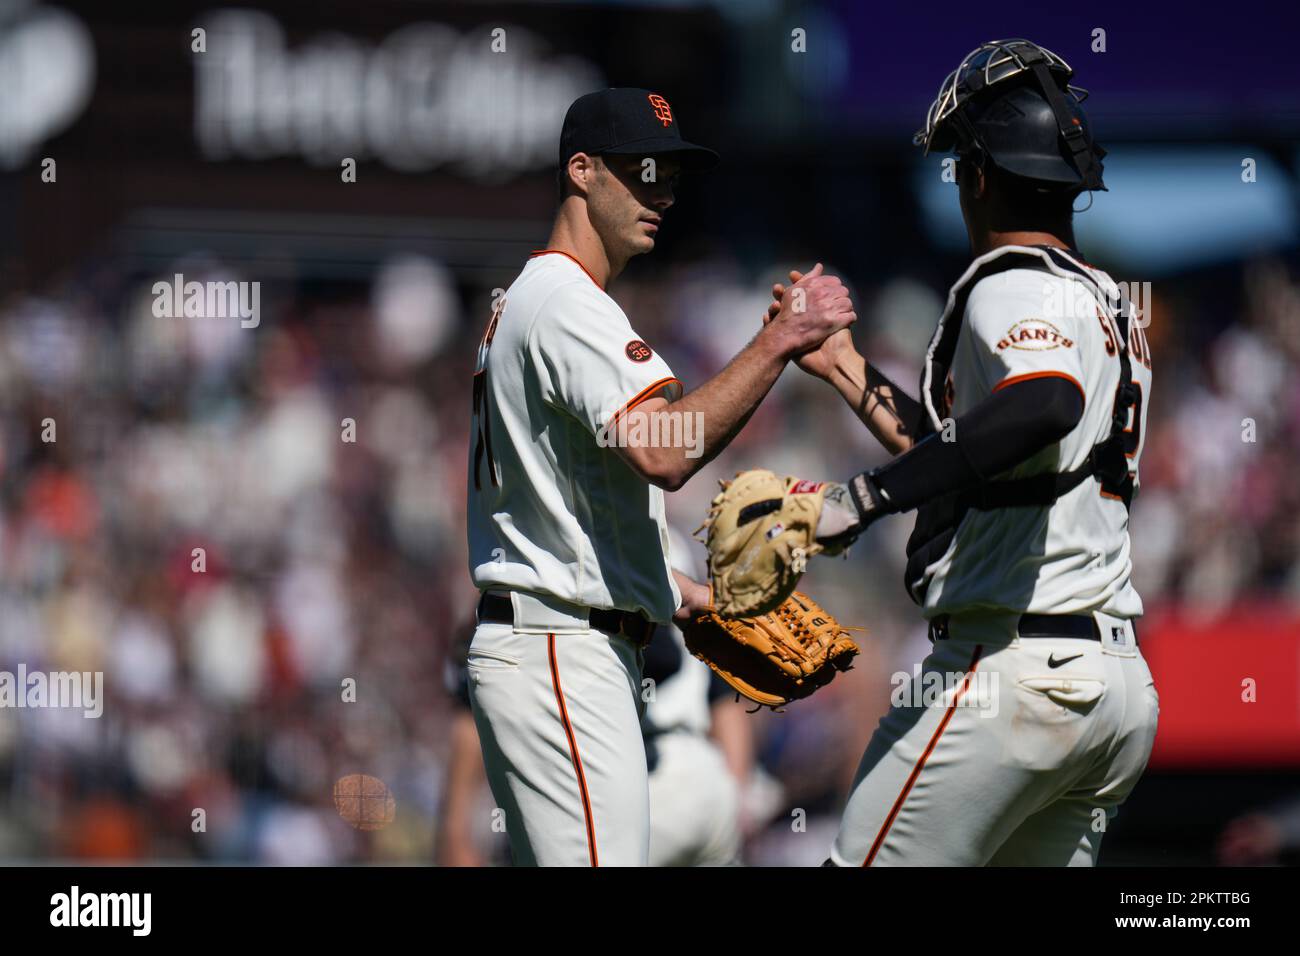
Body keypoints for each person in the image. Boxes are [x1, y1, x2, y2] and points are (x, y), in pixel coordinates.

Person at [772, 39, 1159, 866]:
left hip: (1013, 673)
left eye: (959, 166)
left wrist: (862, 498)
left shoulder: (1013, 279)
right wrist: (846, 369)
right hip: (1112, 685)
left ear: (979, 175)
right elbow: (975, 455)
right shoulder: (1102, 301)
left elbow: (1044, 405)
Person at [465, 87, 855, 866]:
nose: (663, 193)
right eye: (643, 170)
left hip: (565, 643)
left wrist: (688, 598)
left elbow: (570, 516)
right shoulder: (566, 301)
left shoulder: (539, 301)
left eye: (672, 176)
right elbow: (666, 450)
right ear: (581, 171)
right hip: (560, 650)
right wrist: (780, 341)